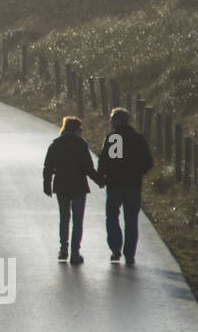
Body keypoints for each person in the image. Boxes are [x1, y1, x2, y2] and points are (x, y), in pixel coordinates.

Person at [43, 116, 105, 264]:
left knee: (64, 218)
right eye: (80, 130)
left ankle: (63, 249)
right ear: (77, 130)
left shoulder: (56, 144)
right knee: (78, 220)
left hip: (61, 186)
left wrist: (47, 184)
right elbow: (88, 168)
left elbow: (48, 167)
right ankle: (75, 252)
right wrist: (100, 181)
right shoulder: (81, 145)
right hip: (79, 187)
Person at [97, 107, 154, 265]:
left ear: (118, 121)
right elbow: (148, 162)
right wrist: (138, 173)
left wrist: (102, 177)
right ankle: (129, 254)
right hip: (133, 185)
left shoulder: (112, 138)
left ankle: (115, 249)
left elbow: (104, 161)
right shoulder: (138, 138)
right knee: (131, 220)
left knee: (112, 217)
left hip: (115, 185)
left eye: (113, 119)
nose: (110, 122)